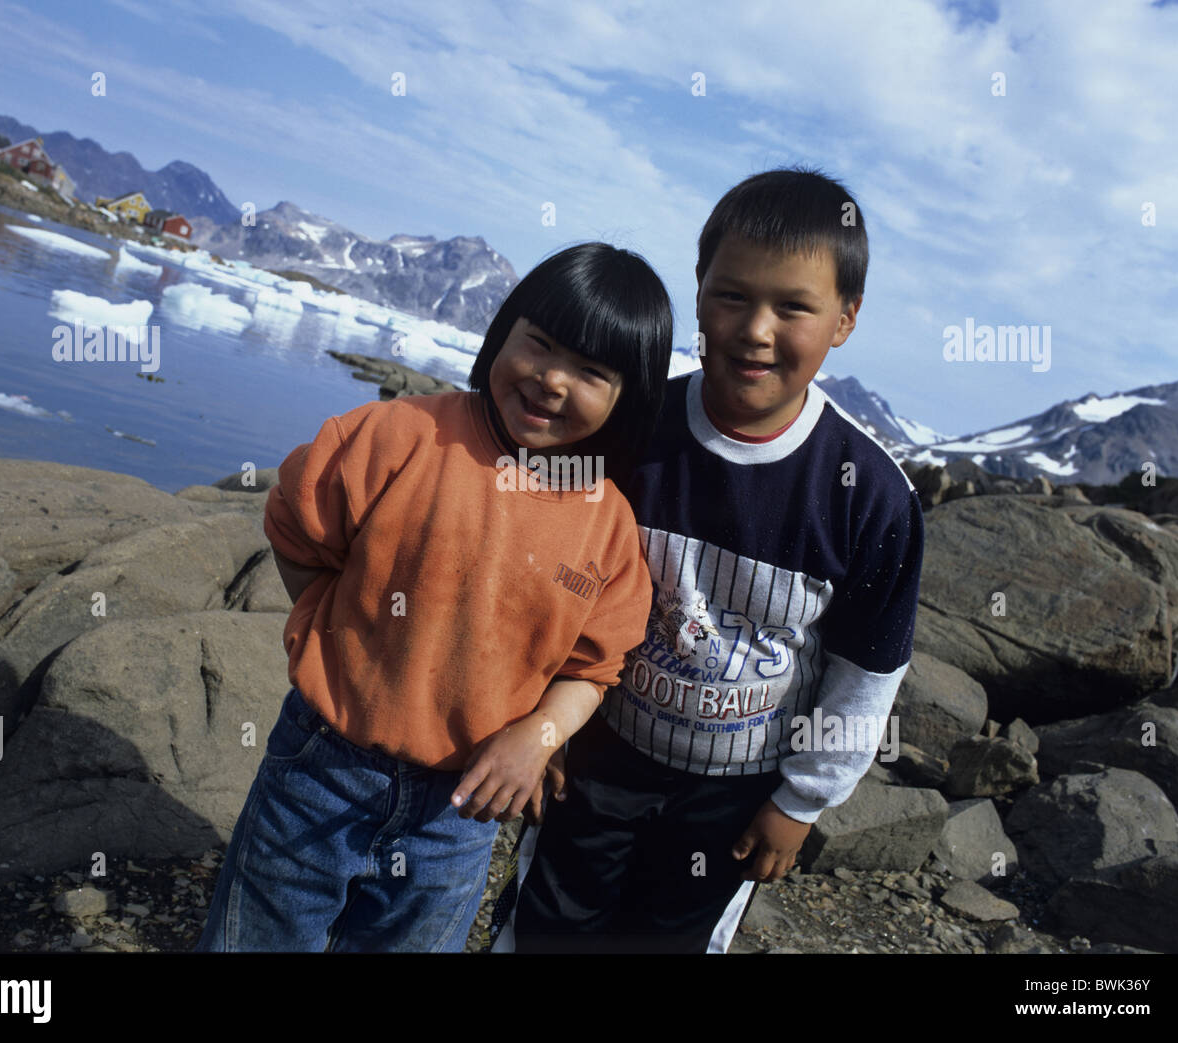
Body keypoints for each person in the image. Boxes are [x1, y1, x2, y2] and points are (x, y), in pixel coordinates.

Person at [194, 241, 672, 952]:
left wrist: (536, 740)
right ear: (501, 332)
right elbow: (298, 523)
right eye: (538, 345)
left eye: (591, 372)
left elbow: (591, 669)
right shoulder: (400, 436)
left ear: (628, 398)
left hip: (462, 809)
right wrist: (327, 627)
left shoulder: (609, 528)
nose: (552, 380)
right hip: (321, 769)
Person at [506, 168, 925, 953]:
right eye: (732, 295)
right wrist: (542, 723)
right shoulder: (633, 430)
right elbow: (552, 581)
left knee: (673, 938)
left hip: (733, 794)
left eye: (794, 306)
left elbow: (864, 675)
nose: (756, 329)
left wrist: (800, 801)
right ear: (698, 291)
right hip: (599, 753)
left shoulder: (867, 495)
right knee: (549, 924)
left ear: (846, 319)